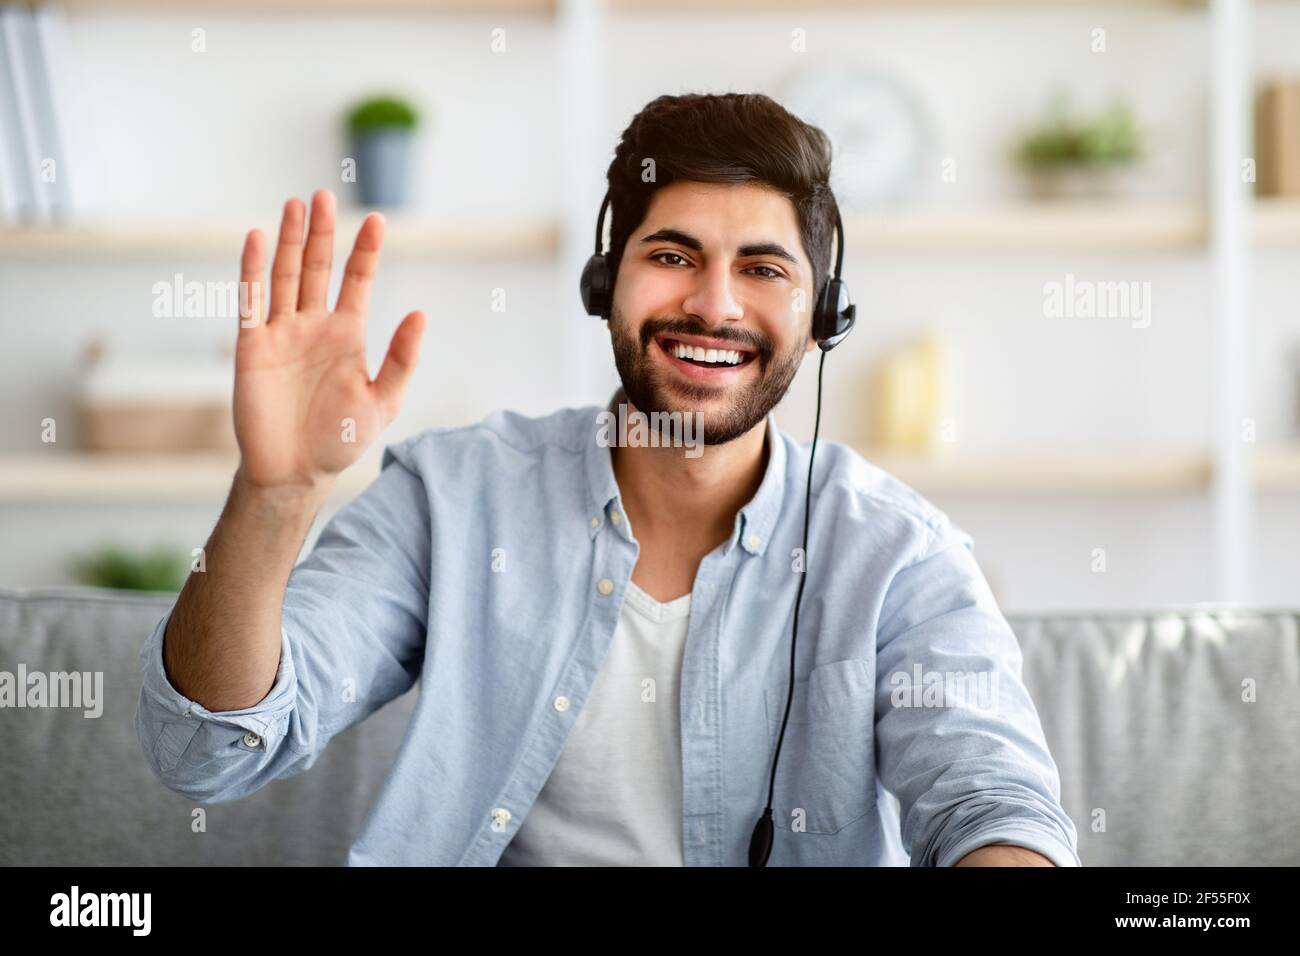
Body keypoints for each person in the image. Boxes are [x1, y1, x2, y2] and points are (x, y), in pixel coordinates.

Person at [135, 92, 1078, 867]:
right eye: (672, 257)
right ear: (605, 284)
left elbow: (992, 802)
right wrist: (276, 496)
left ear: (824, 315)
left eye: (762, 269)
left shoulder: (897, 553)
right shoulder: (454, 498)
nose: (713, 304)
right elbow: (203, 754)